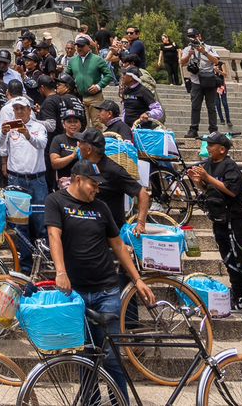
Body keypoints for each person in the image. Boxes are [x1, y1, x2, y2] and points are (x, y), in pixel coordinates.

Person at [45, 161, 155, 400]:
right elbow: (54, 235)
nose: (97, 189)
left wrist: (137, 280)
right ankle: (90, 401)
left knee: (112, 355)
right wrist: (60, 272)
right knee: (85, 355)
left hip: (107, 290)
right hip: (76, 292)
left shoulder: (101, 207)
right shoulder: (56, 202)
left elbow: (117, 245)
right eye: (93, 184)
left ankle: (120, 401)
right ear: (78, 180)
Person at [187, 131, 242, 320]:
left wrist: (208, 179)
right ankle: (238, 295)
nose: (208, 148)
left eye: (211, 145)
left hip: (235, 221)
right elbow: (211, 189)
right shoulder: (208, 165)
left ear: (222, 149)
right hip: (218, 220)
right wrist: (199, 183)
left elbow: (232, 192)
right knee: (228, 259)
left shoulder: (230, 167)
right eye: (207, 144)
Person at [0, 98, 49, 255]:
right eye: (16, 109)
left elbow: (42, 144)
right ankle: (25, 263)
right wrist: (2, 132)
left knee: (41, 221)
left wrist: (28, 135)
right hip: (16, 179)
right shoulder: (10, 126)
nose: (19, 111)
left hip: (37, 180)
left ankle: (44, 258)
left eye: (22, 108)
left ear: (30, 110)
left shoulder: (39, 127)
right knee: (20, 225)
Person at [180, 30, 222, 138]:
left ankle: (213, 129)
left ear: (199, 36)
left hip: (209, 80)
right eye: (190, 37)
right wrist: (189, 55)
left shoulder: (208, 48)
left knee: (211, 106)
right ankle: (193, 129)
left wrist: (204, 52)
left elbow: (216, 61)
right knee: (195, 106)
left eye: (194, 36)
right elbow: (182, 63)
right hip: (196, 81)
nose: (192, 39)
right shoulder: (187, 49)